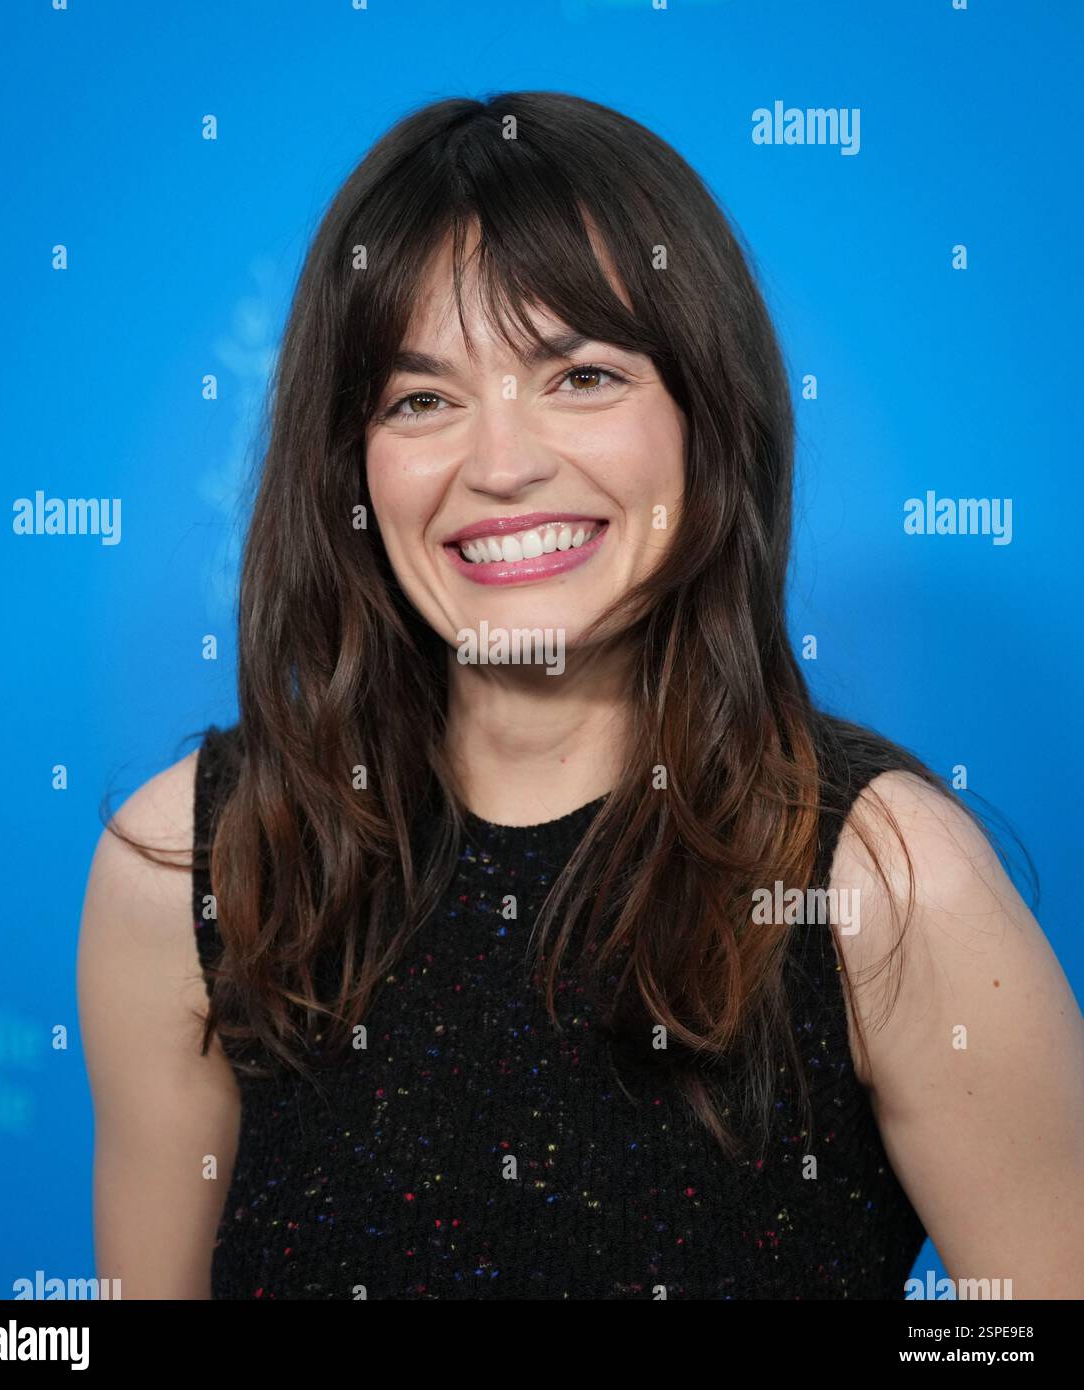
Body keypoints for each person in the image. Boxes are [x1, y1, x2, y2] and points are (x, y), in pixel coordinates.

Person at [77, 90, 1084, 1300]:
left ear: (707, 417)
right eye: (421, 399)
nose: (501, 465)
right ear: (349, 462)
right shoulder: (194, 865)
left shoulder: (886, 880)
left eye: (584, 375)